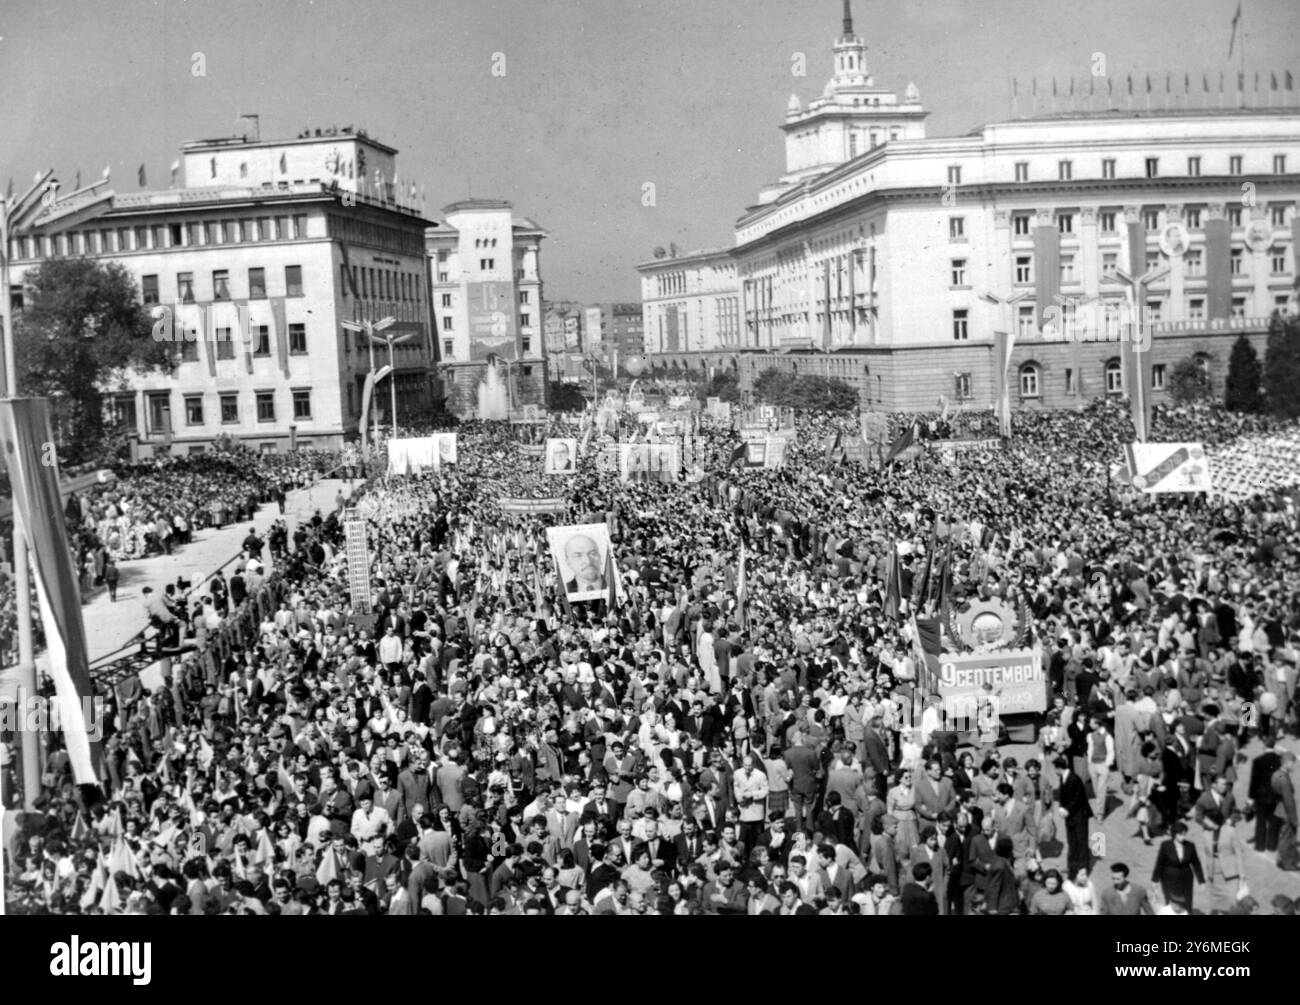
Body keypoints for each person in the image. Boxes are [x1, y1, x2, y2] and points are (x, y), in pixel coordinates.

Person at [1197, 809, 1246, 914]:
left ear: (1215, 821)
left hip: (1230, 871)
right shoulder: (1205, 833)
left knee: (1232, 899)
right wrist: (1205, 873)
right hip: (1214, 872)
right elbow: (1205, 854)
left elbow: (1239, 852)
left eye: (1207, 820)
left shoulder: (1230, 831)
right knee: (1217, 902)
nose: (1205, 822)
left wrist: (1241, 873)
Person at [1151, 821, 1204, 910]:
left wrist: (1201, 881)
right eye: (1181, 834)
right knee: (1171, 902)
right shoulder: (1166, 845)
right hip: (1169, 878)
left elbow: (1196, 863)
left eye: (1184, 834)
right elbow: (1160, 863)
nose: (1183, 837)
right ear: (1175, 834)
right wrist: (1155, 879)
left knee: (1187, 901)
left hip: (1186, 878)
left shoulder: (1190, 845)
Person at [1054, 755, 1091, 876]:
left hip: (1079, 815)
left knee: (1081, 841)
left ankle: (1083, 867)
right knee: (1072, 841)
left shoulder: (1074, 778)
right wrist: (1061, 806)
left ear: (1059, 768)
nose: (1054, 771)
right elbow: (1063, 795)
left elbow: (1079, 797)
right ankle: (1072, 866)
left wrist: (1067, 809)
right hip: (1070, 816)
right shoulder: (1063, 778)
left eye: (1055, 768)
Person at [1273, 749, 1299, 871]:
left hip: (1279, 809)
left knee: (1284, 837)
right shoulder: (1284, 779)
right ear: (1287, 762)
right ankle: (1286, 862)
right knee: (1288, 839)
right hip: (1286, 813)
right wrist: (1294, 819)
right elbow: (1289, 801)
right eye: (1293, 763)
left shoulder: (1277, 774)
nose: (1295, 766)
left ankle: (1284, 859)